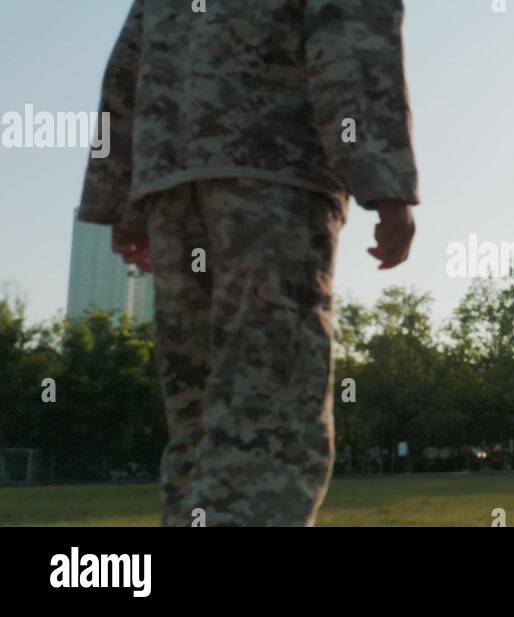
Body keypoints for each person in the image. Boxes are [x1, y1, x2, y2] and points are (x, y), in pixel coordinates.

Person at [78, 0, 419, 526]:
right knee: (269, 400)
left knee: (197, 408)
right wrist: (386, 184)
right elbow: (351, 44)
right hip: (271, 175)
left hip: (172, 186)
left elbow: (125, 68)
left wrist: (117, 195)